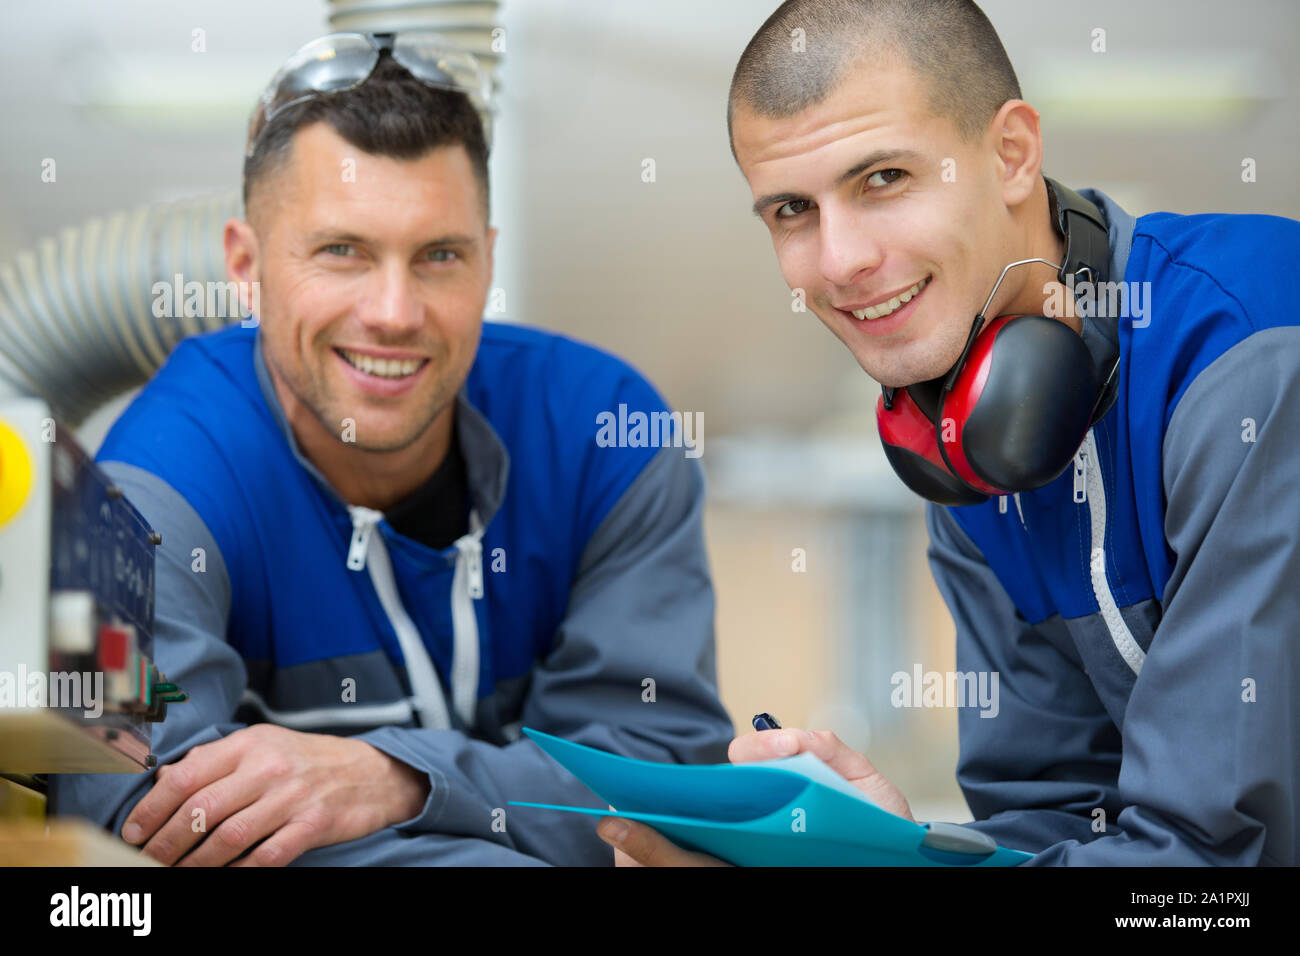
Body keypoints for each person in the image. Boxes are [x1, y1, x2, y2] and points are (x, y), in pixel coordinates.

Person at [600, 0, 1299, 866]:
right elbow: (1060, 817)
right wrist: (889, 849)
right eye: (790, 210)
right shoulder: (968, 441)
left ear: (1011, 155)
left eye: (883, 178)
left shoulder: (1254, 358)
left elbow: (1213, 878)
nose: (839, 261)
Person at [49, 32, 733, 866]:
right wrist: (533, 819)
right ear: (245, 265)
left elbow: (671, 781)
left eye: (439, 256)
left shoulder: (611, 434)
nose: (395, 312)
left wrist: (402, 778)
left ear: (487, 263)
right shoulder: (137, 492)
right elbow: (147, 819)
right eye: (343, 251)